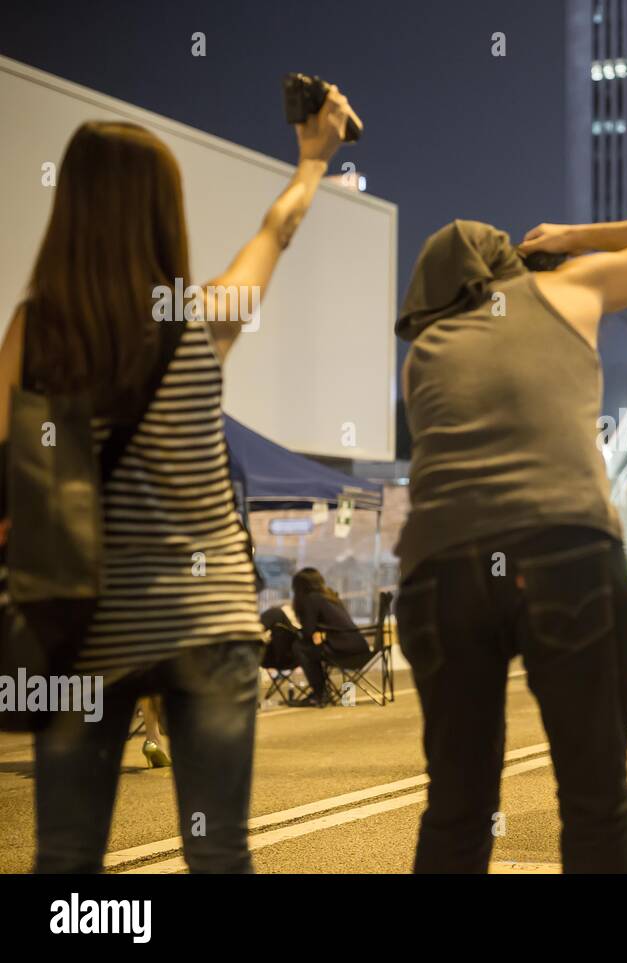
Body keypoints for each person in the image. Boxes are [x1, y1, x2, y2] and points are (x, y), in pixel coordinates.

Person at [0, 86, 357, 872]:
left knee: (65, 859)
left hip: (87, 631)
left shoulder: (33, 334)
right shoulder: (198, 318)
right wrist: (312, 157)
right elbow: (278, 229)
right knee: (219, 852)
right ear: (164, 215)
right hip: (211, 622)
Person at [395, 215, 627, 873]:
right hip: (565, 550)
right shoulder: (567, 290)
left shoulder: (425, 349)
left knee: (456, 805)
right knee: (595, 799)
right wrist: (574, 238)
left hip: (439, 569)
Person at [287, 567, 370, 707]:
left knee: (300, 647)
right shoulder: (330, 596)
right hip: (361, 649)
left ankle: (320, 693)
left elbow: (308, 632)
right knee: (312, 649)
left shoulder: (312, 599)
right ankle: (321, 692)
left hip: (344, 653)